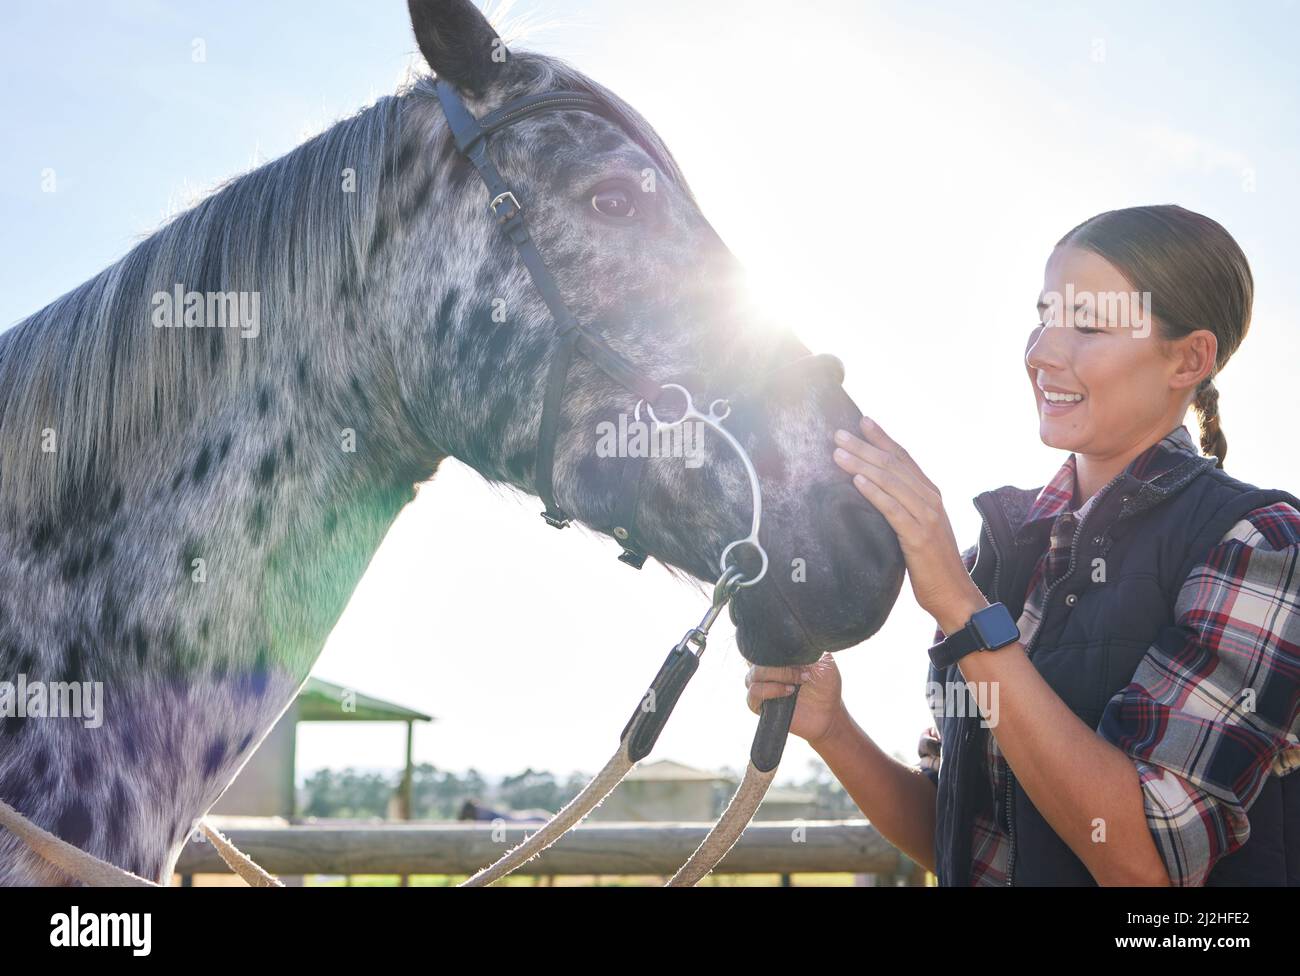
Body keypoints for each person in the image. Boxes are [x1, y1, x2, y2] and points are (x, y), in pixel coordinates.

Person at [746, 205, 1300, 886]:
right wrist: (833, 729)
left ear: (1189, 358)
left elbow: (1144, 860)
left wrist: (958, 605)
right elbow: (961, 838)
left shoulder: (1258, 542)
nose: (1041, 352)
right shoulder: (1002, 555)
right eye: (1044, 316)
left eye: (1088, 325)